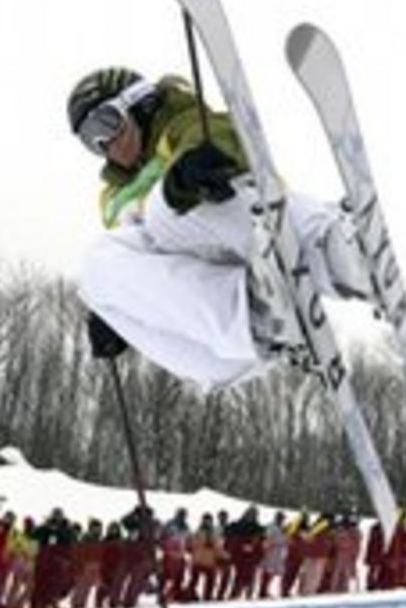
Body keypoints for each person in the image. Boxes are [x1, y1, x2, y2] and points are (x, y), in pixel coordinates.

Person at [68, 67, 374, 389]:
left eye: (105, 123)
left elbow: (223, 133)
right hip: (227, 345)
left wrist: (191, 164)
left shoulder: (179, 125)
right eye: (91, 140)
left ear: (138, 103)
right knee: (96, 271)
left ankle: (339, 255)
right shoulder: (114, 202)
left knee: (163, 210)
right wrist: (117, 315)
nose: (105, 143)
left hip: (248, 241)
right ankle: (259, 320)